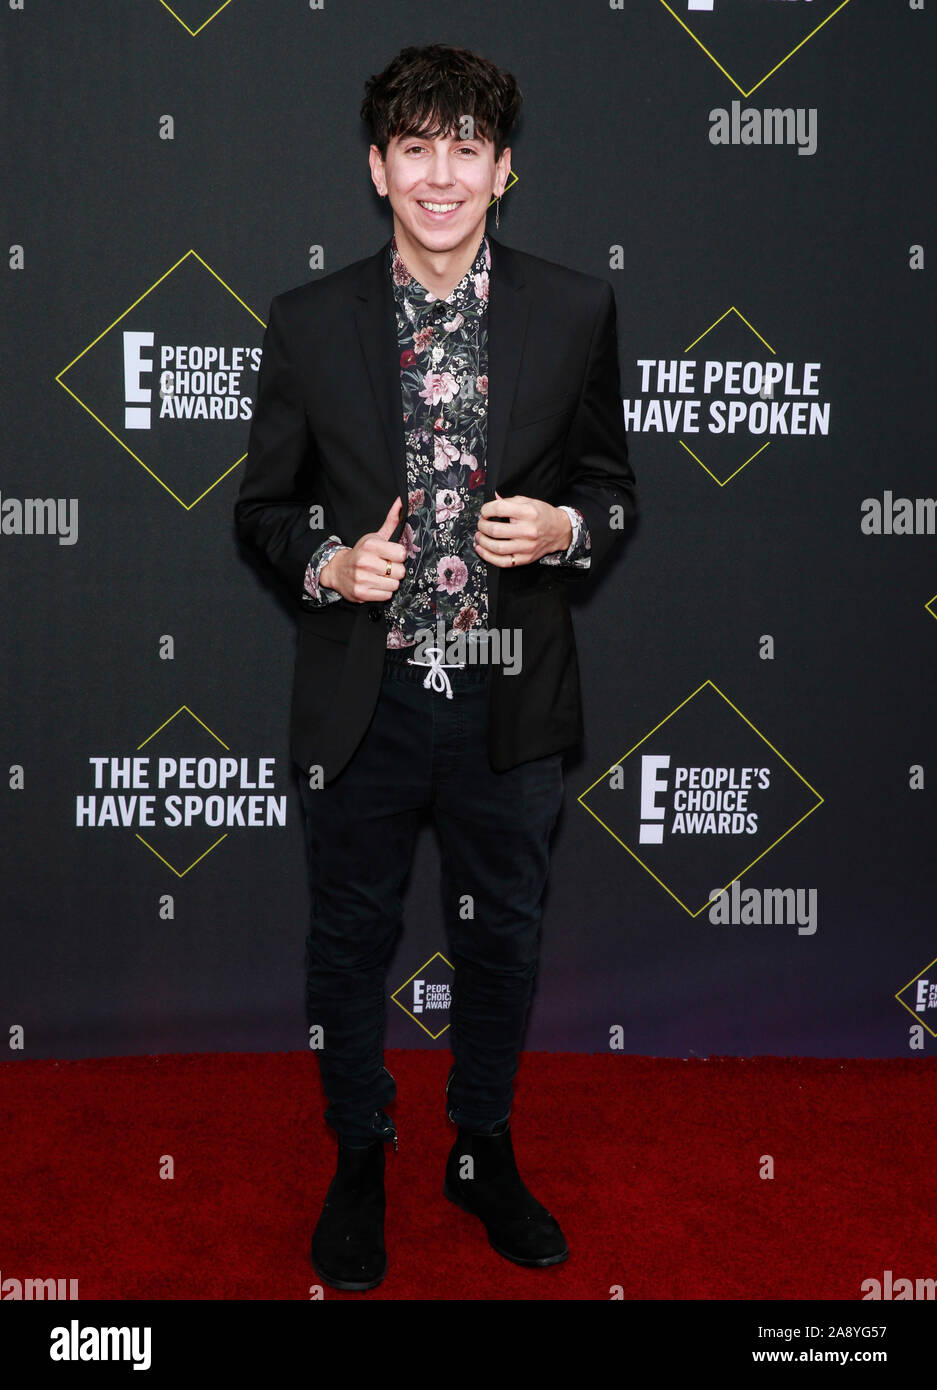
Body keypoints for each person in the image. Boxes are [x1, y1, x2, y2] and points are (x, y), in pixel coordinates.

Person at [234, 42, 636, 1292]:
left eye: (468, 148)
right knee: (350, 940)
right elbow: (260, 510)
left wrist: (568, 531)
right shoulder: (308, 322)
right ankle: (360, 1154)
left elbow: (613, 491)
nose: (442, 175)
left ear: (505, 171)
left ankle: (479, 1149)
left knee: (504, 939)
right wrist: (329, 562)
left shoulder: (574, 310)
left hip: (512, 688)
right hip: (368, 695)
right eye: (418, 147)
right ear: (377, 166)